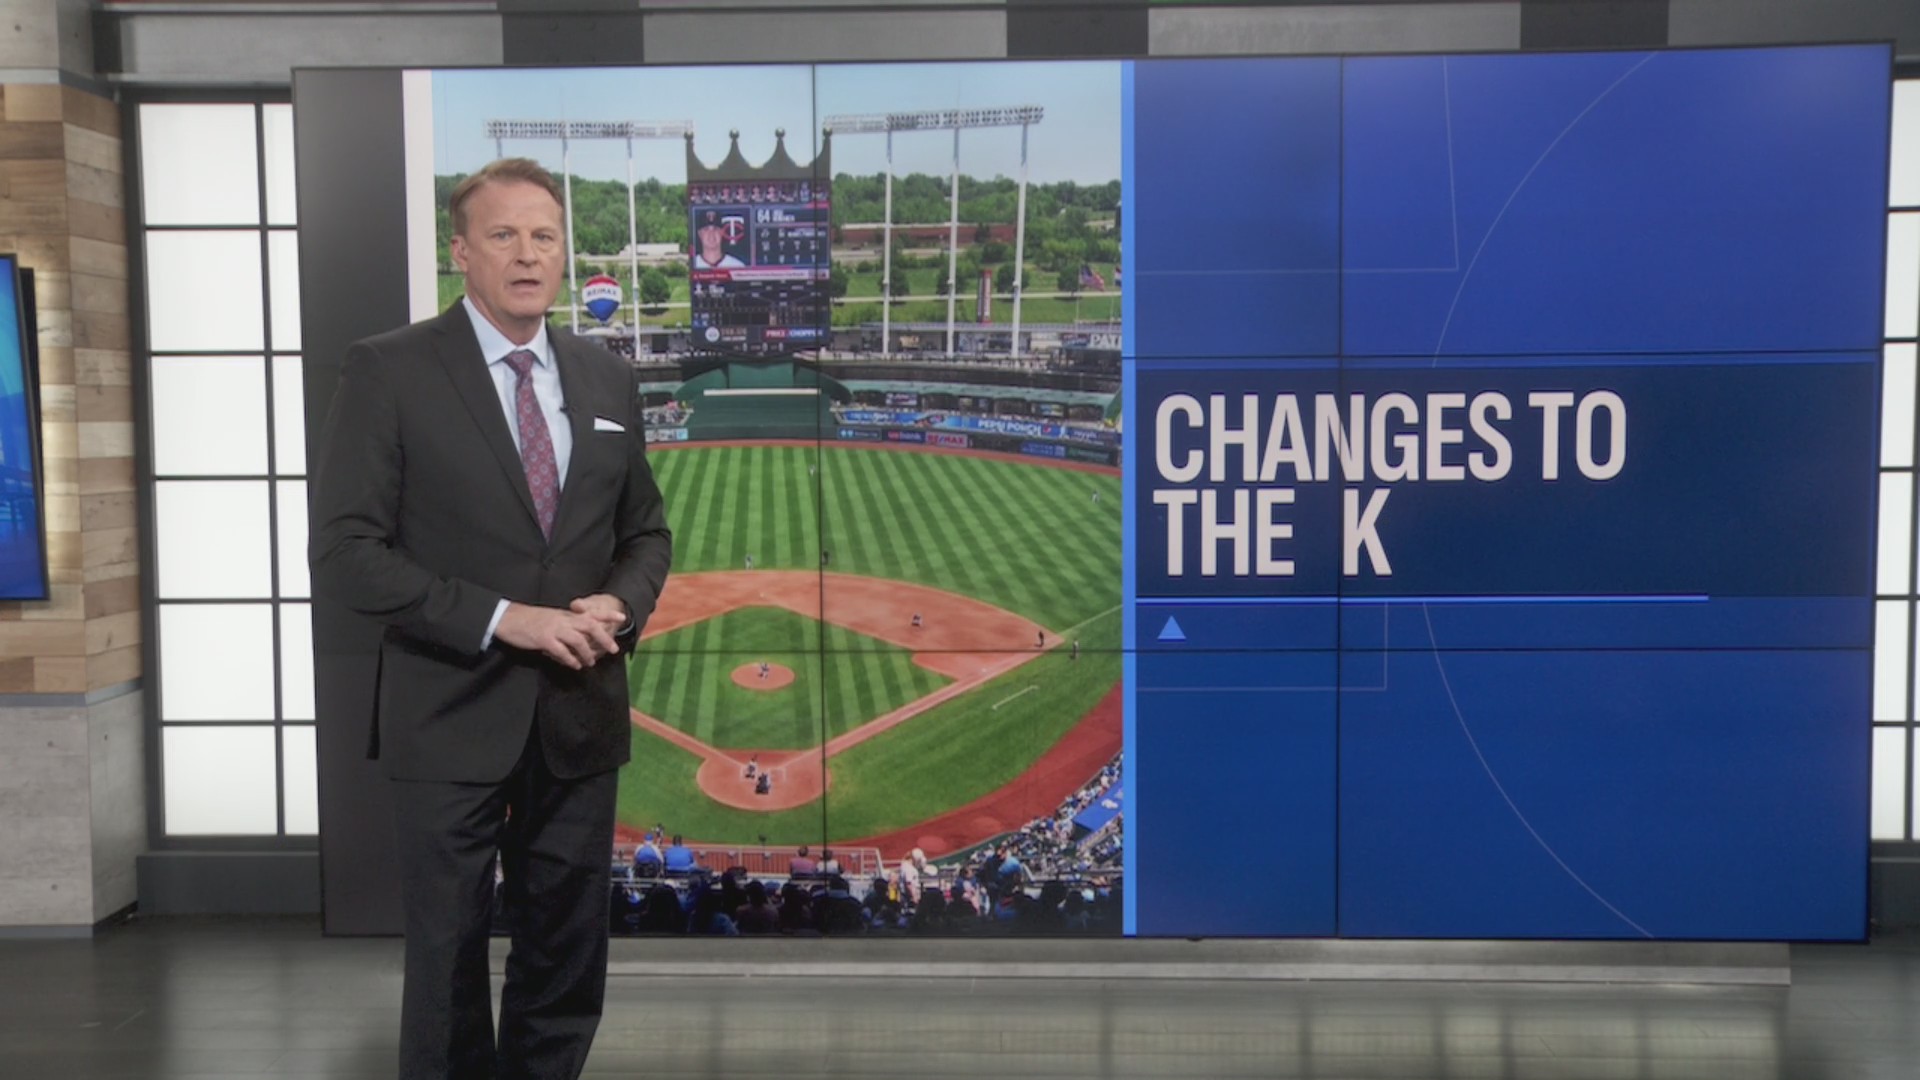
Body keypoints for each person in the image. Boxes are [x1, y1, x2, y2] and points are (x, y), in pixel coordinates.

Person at [310, 157, 672, 1080]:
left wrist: (620, 603)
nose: (527, 254)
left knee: (565, 955)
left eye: (543, 236)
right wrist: (506, 617)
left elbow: (647, 534)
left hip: (577, 713)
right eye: (503, 235)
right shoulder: (388, 368)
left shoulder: (605, 378)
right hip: (449, 712)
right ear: (460, 252)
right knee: (446, 959)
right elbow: (348, 553)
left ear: (563, 253)